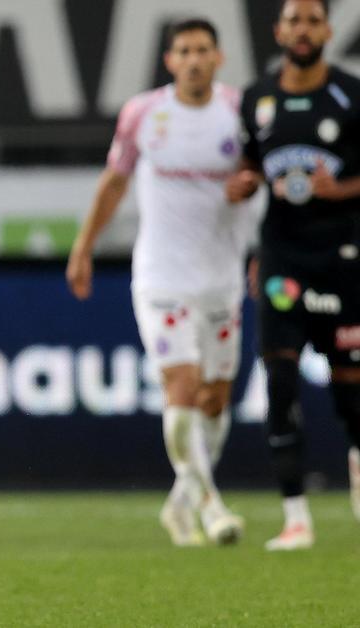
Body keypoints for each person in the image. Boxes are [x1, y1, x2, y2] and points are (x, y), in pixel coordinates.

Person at [67, 19, 249, 546]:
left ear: (219, 58)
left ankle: (181, 503)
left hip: (222, 278)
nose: (193, 59)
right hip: (161, 275)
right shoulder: (145, 114)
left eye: (203, 50)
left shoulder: (241, 114)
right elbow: (115, 182)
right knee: (183, 388)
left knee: (216, 399)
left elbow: (261, 182)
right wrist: (83, 247)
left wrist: (252, 201)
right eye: (184, 51)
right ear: (170, 61)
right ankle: (212, 506)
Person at [229, 0, 360, 551]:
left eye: (312, 20)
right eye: (293, 20)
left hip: (344, 257)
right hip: (282, 255)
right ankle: (295, 518)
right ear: (279, 30)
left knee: (350, 391)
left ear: (327, 30)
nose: (302, 30)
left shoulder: (351, 94)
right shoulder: (256, 98)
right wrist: (246, 183)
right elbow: (251, 165)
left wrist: (342, 190)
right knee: (279, 380)